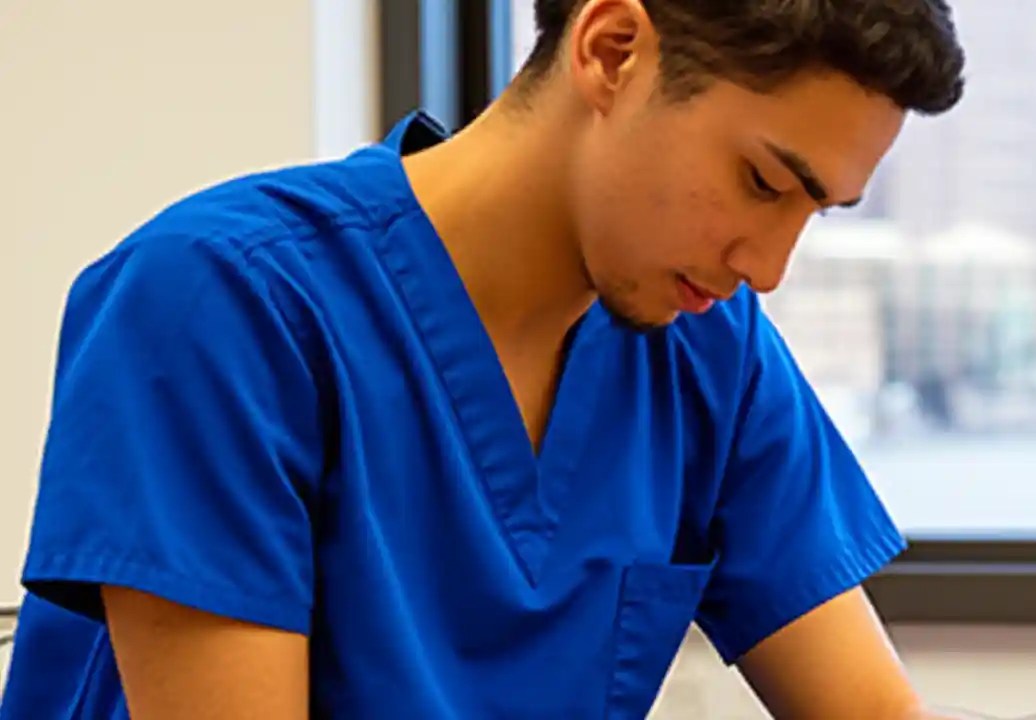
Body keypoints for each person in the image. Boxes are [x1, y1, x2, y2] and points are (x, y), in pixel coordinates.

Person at [0, 1, 976, 718]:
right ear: (612, 49)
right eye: (761, 183)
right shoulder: (219, 301)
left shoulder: (705, 349)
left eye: (814, 213)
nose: (767, 268)